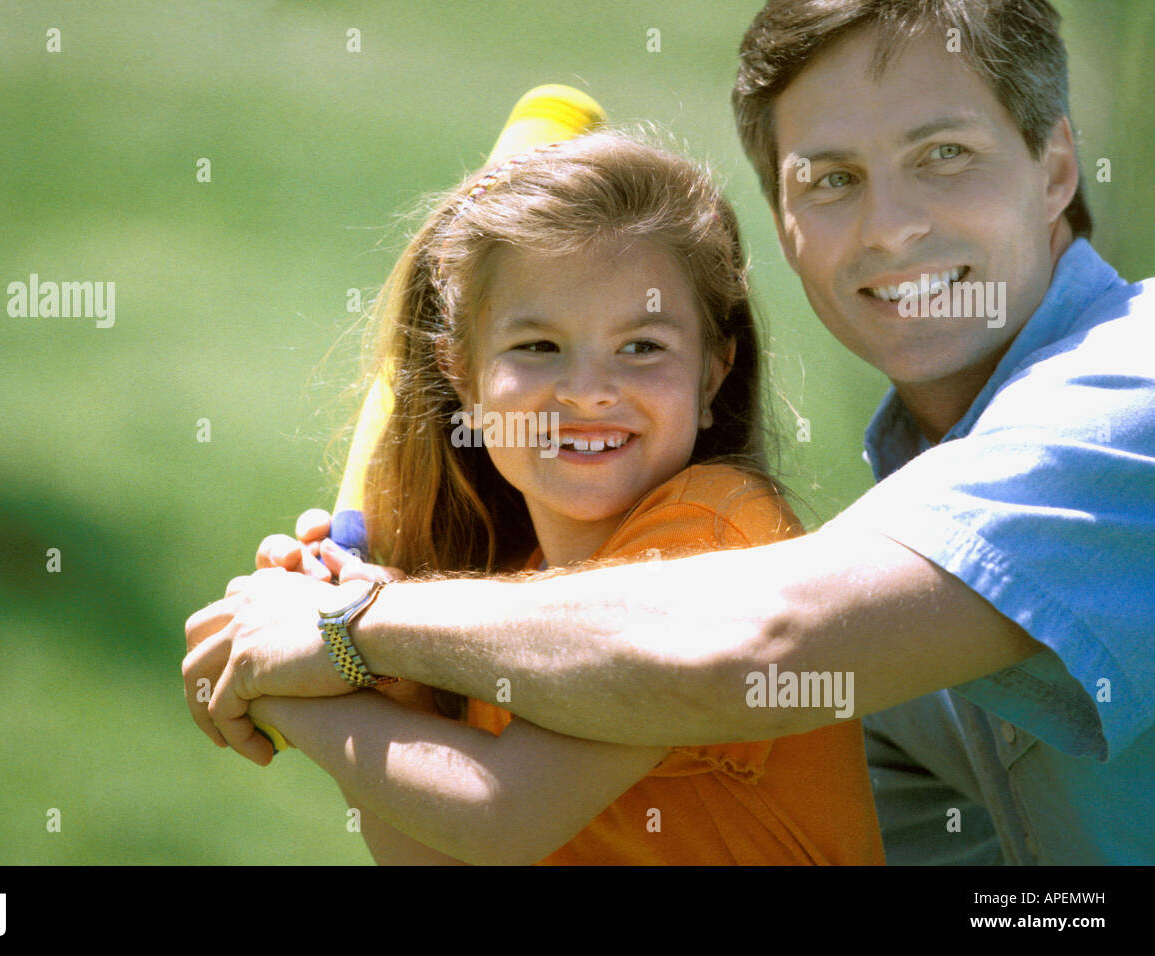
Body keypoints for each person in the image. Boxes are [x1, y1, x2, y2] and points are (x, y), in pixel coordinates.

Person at [184, 0, 1155, 864]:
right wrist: (333, 654)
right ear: (783, 220)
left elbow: (753, 639)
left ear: (1055, 165)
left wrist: (340, 633)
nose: (889, 226)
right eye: (830, 178)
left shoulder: (1128, 391)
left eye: (943, 154)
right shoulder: (894, 590)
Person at [204, 129, 885, 865]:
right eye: (537, 346)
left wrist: (283, 672)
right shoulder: (516, 605)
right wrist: (376, 685)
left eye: (643, 347)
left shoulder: (716, 533)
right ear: (460, 372)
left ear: (713, 374)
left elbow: (503, 813)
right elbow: (434, 854)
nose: (590, 391)